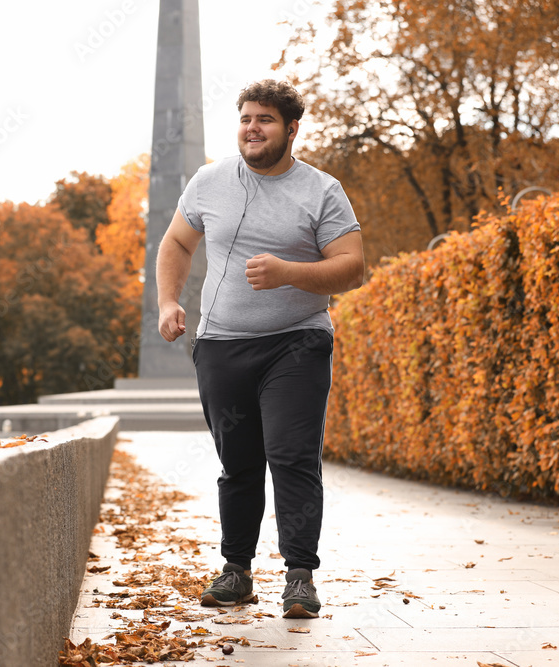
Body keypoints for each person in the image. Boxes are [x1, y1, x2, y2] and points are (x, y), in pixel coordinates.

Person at [156, 79, 364, 619]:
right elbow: (177, 241)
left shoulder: (321, 190)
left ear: (291, 129)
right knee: (239, 463)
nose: (253, 128)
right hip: (222, 344)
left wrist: (288, 272)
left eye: (265, 119)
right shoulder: (209, 181)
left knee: (292, 456)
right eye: (246, 118)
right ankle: (237, 572)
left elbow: (352, 266)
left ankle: (299, 577)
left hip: (298, 342)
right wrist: (168, 302)